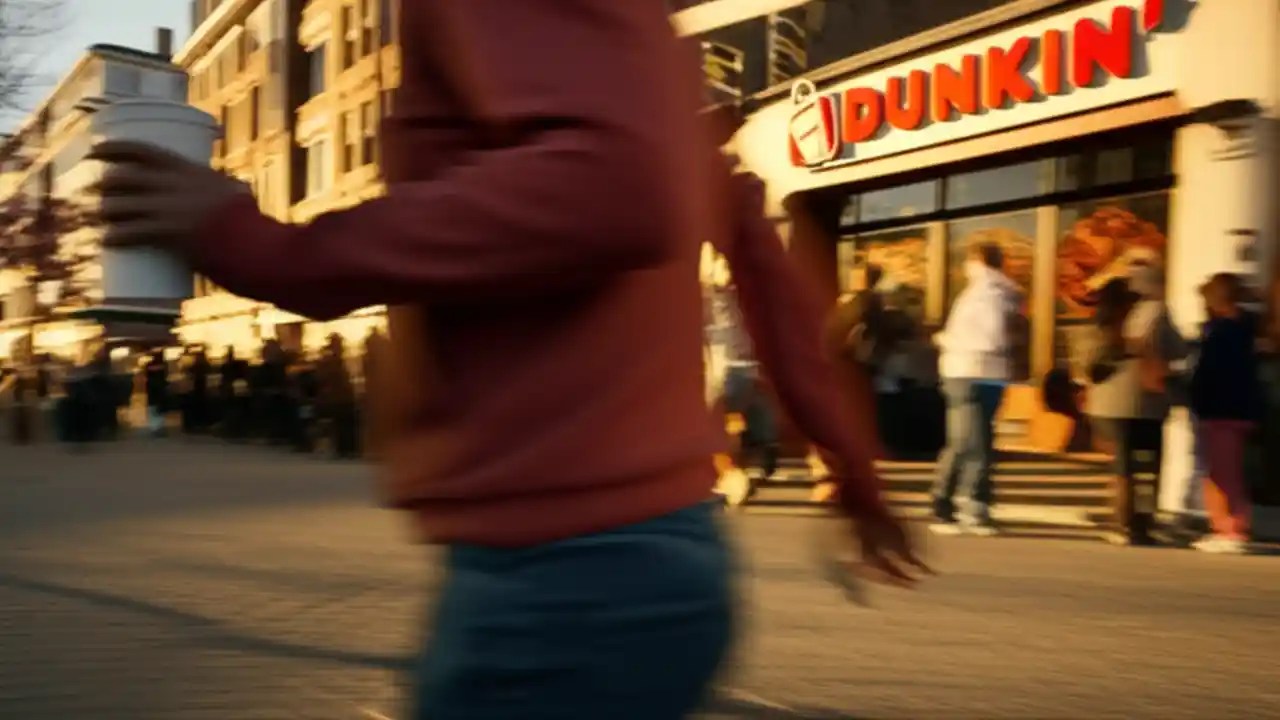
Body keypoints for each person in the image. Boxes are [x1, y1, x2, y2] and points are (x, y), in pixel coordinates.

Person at [89, 3, 927, 715]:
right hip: (654, 559)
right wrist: (853, 473)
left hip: (561, 584)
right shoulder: (650, 56)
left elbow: (618, 191)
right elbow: (769, 280)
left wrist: (261, 246)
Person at [1085, 263, 1187, 546]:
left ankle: (1124, 523)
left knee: (1124, 466)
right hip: (1149, 404)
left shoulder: (1106, 322)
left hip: (1111, 406)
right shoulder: (1157, 316)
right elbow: (1180, 349)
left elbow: (1090, 366)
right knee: (1150, 467)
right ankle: (1144, 523)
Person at [930, 242, 1021, 536]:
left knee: (967, 442)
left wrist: (944, 340)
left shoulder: (981, 293)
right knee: (976, 440)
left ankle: (959, 503)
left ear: (978, 261)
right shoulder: (1006, 293)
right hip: (991, 374)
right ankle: (958, 502)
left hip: (966, 370)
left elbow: (987, 338)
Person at [1189, 273, 1259, 554]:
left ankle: (1229, 529)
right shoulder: (1248, 329)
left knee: (1221, 473)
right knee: (1231, 471)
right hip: (1242, 409)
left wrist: (1196, 398)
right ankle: (1232, 526)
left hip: (1220, 410)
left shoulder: (1219, 333)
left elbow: (1209, 374)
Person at [143, 351, 169, 437]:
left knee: (153, 408)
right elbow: (166, 374)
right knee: (160, 409)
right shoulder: (164, 365)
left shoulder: (148, 365)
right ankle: (159, 428)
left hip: (152, 389)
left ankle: (155, 428)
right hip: (161, 389)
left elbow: (146, 374)